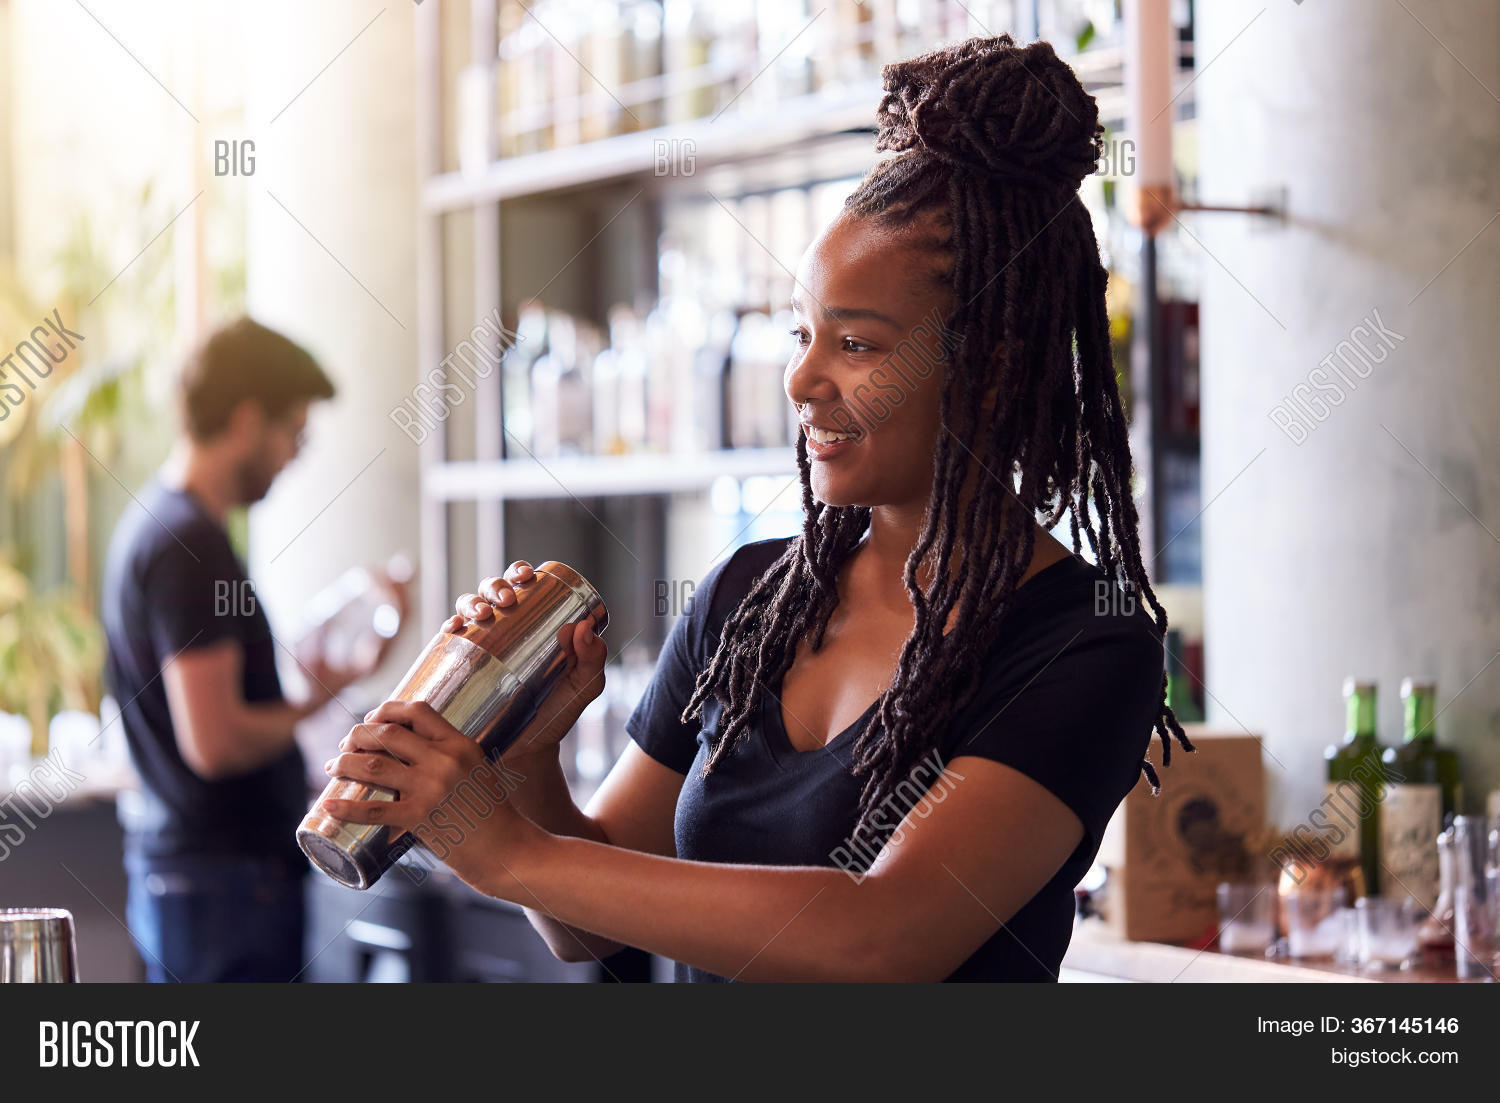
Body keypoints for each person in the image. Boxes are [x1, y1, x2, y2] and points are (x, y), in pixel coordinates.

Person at [322, 35, 1194, 981]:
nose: (802, 379)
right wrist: (532, 757)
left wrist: (504, 849)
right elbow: (588, 927)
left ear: (987, 373)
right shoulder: (754, 596)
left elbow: (879, 937)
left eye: (855, 344)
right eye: (800, 332)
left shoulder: (1083, 645)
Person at [102, 317, 382, 982]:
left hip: (198, 882)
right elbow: (217, 740)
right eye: (295, 431)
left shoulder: (157, 523)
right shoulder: (188, 546)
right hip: (224, 888)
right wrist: (316, 697)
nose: (293, 454)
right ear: (248, 420)